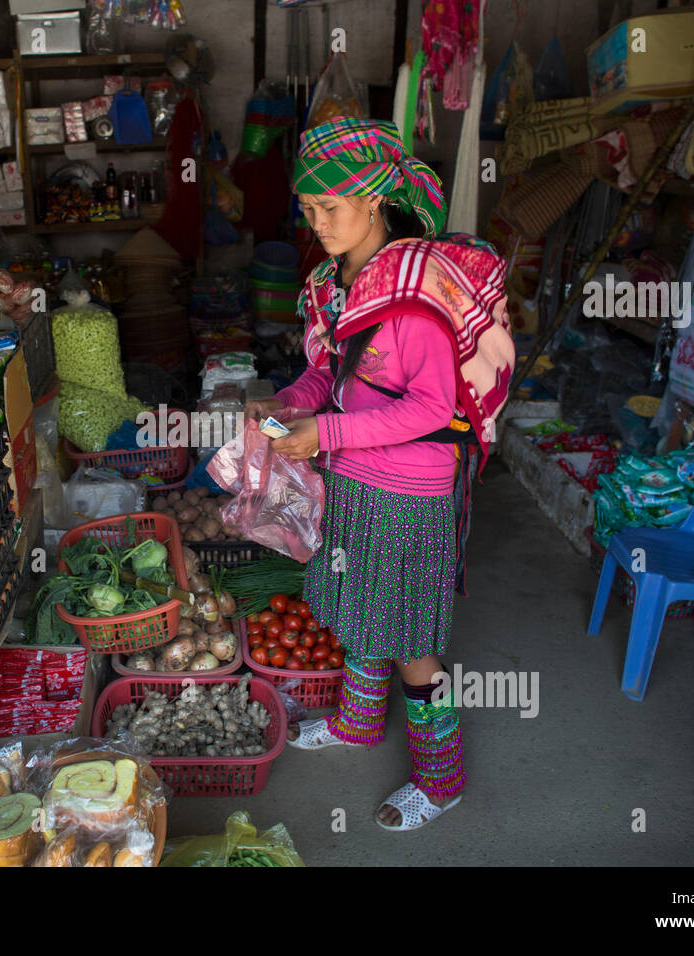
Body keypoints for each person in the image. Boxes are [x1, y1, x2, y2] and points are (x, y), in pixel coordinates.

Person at [245, 117, 514, 831]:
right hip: (356, 479)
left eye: (330, 208)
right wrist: (285, 403)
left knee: (413, 647)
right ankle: (359, 725)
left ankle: (442, 776)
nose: (318, 223)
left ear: (372, 200)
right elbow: (327, 371)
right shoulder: (338, 285)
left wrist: (324, 431)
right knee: (363, 608)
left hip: (410, 492)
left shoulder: (416, 295)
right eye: (307, 210)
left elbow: (430, 409)